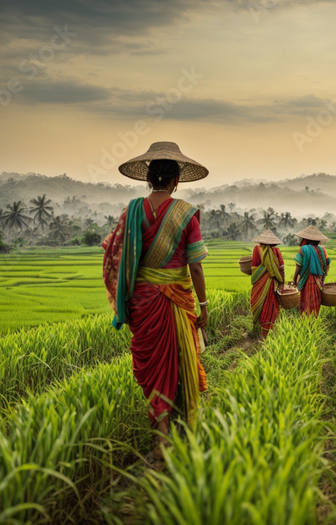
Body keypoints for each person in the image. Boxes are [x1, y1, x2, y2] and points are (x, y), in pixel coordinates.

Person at [102, 141, 210, 462]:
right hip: (177, 300)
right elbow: (196, 265)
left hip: (142, 302)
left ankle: (162, 432)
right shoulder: (187, 214)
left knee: (154, 366)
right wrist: (204, 306)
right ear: (176, 180)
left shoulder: (131, 212)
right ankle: (184, 428)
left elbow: (114, 255)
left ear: (148, 178)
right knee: (179, 358)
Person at [250, 229, 285, 338]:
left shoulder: (257, 249)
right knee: (271, 306)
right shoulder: (277, 251)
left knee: (258, 304)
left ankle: (259, 331)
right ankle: (268, 332)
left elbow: (254, 268)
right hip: (272, 283)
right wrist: (281, 282)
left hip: (260, 283)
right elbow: (281, 269)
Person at [291, 225, 330, 317]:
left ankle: (306, 322)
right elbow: (327, 265)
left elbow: (298, 266)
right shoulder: (322, 249)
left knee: (306, 300)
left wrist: (294, 280)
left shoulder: (304, 249)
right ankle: (313, 322)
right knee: (315, 301)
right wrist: (322, 279)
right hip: (318, 281)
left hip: (307, 280)